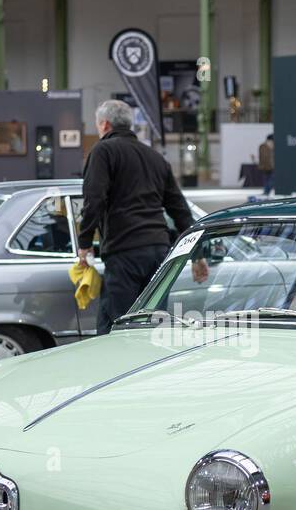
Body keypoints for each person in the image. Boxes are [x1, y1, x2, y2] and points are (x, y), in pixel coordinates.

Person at [76, 99, 205, 335]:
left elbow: (94, 200)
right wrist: (198, 254)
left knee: (122, 328)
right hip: (159, 253)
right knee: (150, 324)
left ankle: (120, 370)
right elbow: (180, 210)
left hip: (124, 252)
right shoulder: (155, 158)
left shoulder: (103, 151)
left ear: (104, 125)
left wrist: (84, 244)